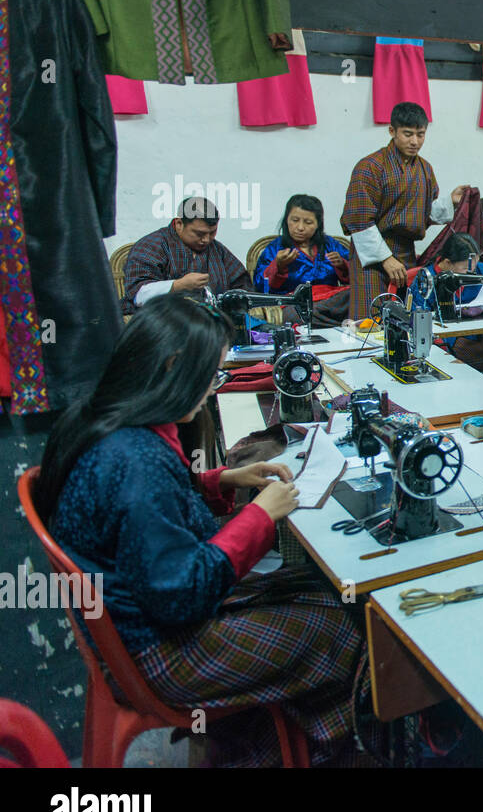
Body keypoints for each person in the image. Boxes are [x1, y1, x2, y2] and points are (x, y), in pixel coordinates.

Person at [35, 295, 377, 766]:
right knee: (348, 626)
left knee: (319, 587)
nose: (211, 389)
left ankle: (260, 740)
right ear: (174, 366)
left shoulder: (102, 418)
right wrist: (260, 516)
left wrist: (220, 481)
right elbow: (182, 593)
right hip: (161, 652)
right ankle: (306, 751)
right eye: (211, 375)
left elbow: (144, 517)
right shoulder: (136, 462)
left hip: (132, 622)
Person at [341, 102, 440, 322]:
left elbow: (424, 212)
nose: (415, 141)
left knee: (404, 322)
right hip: (372, 259)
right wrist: (386, 259)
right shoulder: (370, 167)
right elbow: (359, 220)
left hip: (406, 253)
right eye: (407, 134)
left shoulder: (425, 169)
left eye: (420, 135)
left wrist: (454, 204)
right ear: (392, 131)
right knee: (371, 322)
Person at [122, 196, 252, 315]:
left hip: (213, 324)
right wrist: (178, 285)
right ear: (179, 224)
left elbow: (242, 284)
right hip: (163, 323)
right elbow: (138, 295)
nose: (206, 240)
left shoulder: (217, 249)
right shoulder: (152, 245)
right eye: (199, 234)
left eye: (212, 233)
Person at [416, 233, 483, 371]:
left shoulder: (480, 270)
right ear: (447, 263)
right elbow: (419, 321)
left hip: (480, 332)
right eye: (465, 269)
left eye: (474, 268)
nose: (472, 273)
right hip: (451, 340)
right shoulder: (425, 281)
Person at [252, 194, 350, 294]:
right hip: (292, 303)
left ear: (318, 224)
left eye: (308, 222)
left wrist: (343, 265)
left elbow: (359, 277)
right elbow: (260, 287)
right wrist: (278, 266)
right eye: (295, 220)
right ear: (287, 220)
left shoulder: (331, 245)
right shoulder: (275, 249)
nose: (300, 227)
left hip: (330, 299)